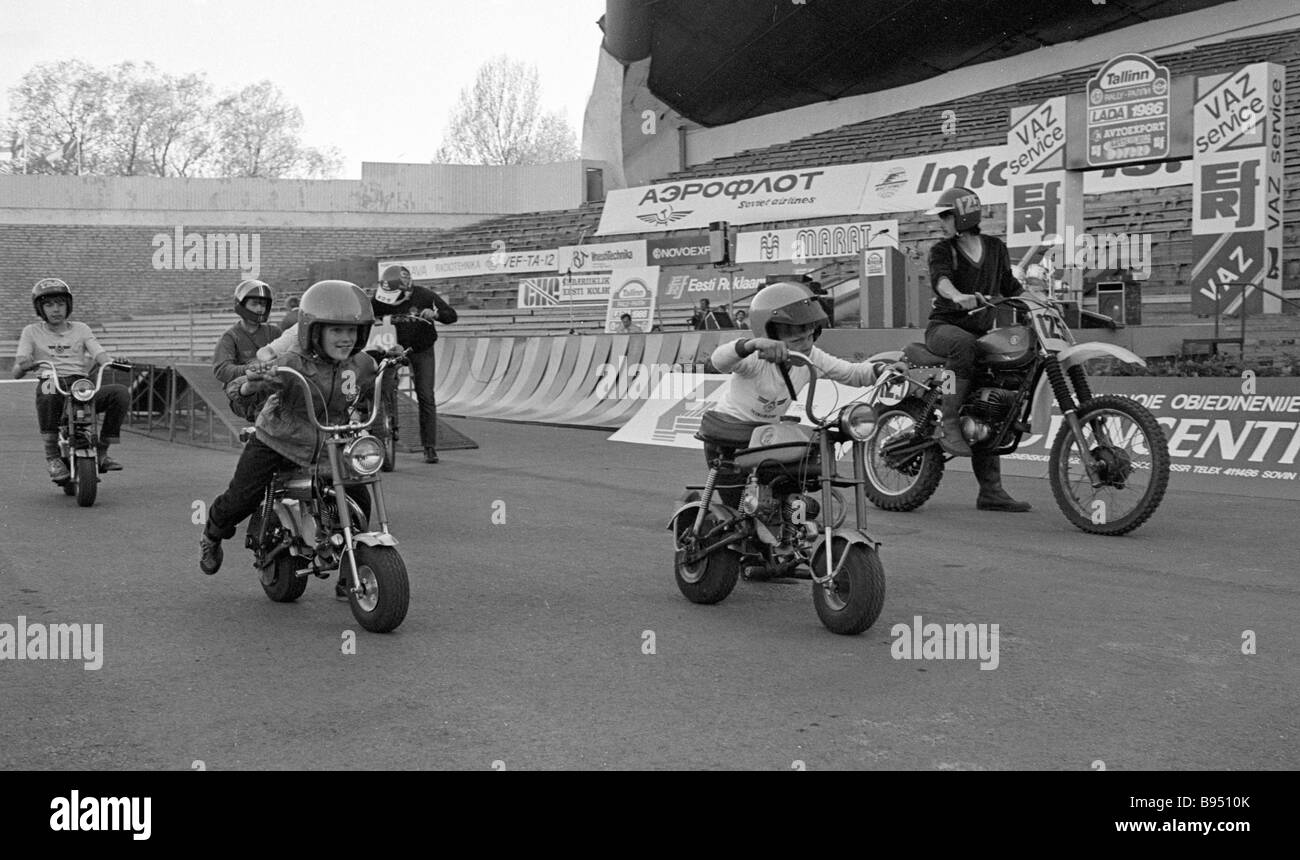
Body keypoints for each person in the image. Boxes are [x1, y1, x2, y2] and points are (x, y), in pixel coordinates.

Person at [199, 280, 380, 594]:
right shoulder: (290, 363)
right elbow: (237, 396)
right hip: (277, 440)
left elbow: (366, 399)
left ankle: (352, 569)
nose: (346, 338)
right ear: (313, 330)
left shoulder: (363, 365)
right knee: (241, 498)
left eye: (352, 331)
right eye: (336, 331)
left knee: (359, 499)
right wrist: (250, 385)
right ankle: (212, 535)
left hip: (327, 445)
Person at [924, 186, 1030, 512]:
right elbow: (941, 280)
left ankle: (991, 491)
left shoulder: (996, 248)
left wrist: (1038, 301)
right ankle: (950, 422)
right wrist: (957, 296)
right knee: (965, 346)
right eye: (942, 216)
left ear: (963, 215)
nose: (942, 221)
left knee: (991, 401)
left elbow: (1012, 288)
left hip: (979, 334)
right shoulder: (944, 250)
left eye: (946, 215)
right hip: (944, 329)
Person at [12, 278, 130, 481]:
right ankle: (53, 457)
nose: (55, 309)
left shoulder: (81, 329)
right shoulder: (31, 331)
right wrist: (25, 364)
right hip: (51, 380)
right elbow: (18, 367)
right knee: (47, 390)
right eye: (49, 304)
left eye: (60, 304)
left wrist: (110, 361)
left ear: (68, 306)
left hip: (79, 384)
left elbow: (98, 352)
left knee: (119, 393)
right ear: (40, 308)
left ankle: (102, 451)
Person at [371, 265, 457, 463]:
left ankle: (429, 446)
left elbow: (451, 315)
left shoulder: (424, 295)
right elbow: (365, 314)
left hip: (421, 348)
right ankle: (387, 426)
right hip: (393, 348)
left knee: (425, 394)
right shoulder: (380, 298)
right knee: (384, 388)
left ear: (407, 288)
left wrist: (435, 314)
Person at [212, 279, 281, 420]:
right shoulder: (231, 336)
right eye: (254, 304)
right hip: (245, 397)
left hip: (273, 390)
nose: (260, 309)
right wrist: (250, 369)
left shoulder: (274, 332)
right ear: (241, 304)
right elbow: (221, 370)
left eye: (263, 304)